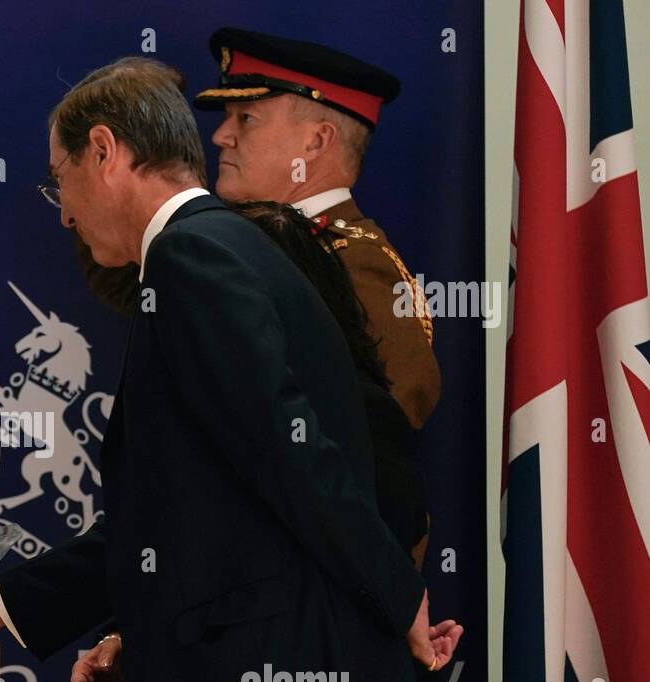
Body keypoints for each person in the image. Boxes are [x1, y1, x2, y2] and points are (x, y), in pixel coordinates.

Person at [0, 58, 457, 682]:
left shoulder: (196, 259)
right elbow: (183, 516)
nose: (62, 216)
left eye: (61, 182)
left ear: (104, 152)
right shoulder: (231, 249)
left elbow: (296, 456)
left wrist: (397, 596)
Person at [70, 202, 465, 682]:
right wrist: (132, 638)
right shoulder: (226, 365)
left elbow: (350, 517)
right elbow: (214, 542)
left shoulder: (338, 396)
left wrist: (403, 603)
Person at [77, 29, 440, 438]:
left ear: (317, 141)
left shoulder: (357, 261)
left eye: (245, 119)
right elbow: (119, 274)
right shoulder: (222, 237)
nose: (219, 135)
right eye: (227, 117)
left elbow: (391, 420)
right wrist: (115, 136)